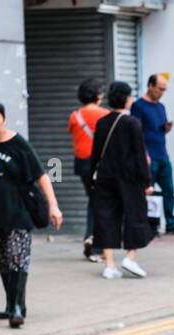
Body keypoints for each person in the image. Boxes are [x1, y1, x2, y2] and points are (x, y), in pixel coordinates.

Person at [0, 99, 63, 328]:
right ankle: (11, 305)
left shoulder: (18, 143)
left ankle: (18, 307)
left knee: (18, 259)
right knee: (3, 262)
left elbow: (41, 175)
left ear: (4, 119)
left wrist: (53, 205)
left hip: (18, 213)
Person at [91, 81, 153, 279]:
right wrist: (147, 181)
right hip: (129, 178)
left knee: (106, 218)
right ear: (127, 99)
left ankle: (109, 265)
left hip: (104, 178)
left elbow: (95, 154)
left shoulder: (101, 122)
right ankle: (130, 258)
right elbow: (139, 156)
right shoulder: (132, 123)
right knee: (135, 215)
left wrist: (92, 176)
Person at [131, 73, 174, 235]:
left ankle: (171, 223)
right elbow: (135, 130)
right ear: (151, 86)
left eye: (164, 90)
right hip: (148, 155)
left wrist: (166, 128)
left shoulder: (161, 107)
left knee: (169, 190)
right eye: (160, 89)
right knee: (149, 191)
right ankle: (150, 225)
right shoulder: (138, 106)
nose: (161, 92)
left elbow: (157, 129)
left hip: (162, 154)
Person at [69, 79, 108, 261]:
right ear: (98, 96)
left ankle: (90, 238)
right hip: (101, 163)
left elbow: (73, 133)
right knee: (101, 202)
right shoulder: (105, 115)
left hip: (82, 164)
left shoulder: (74, 116)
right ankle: (95, 244)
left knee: (93, 200)